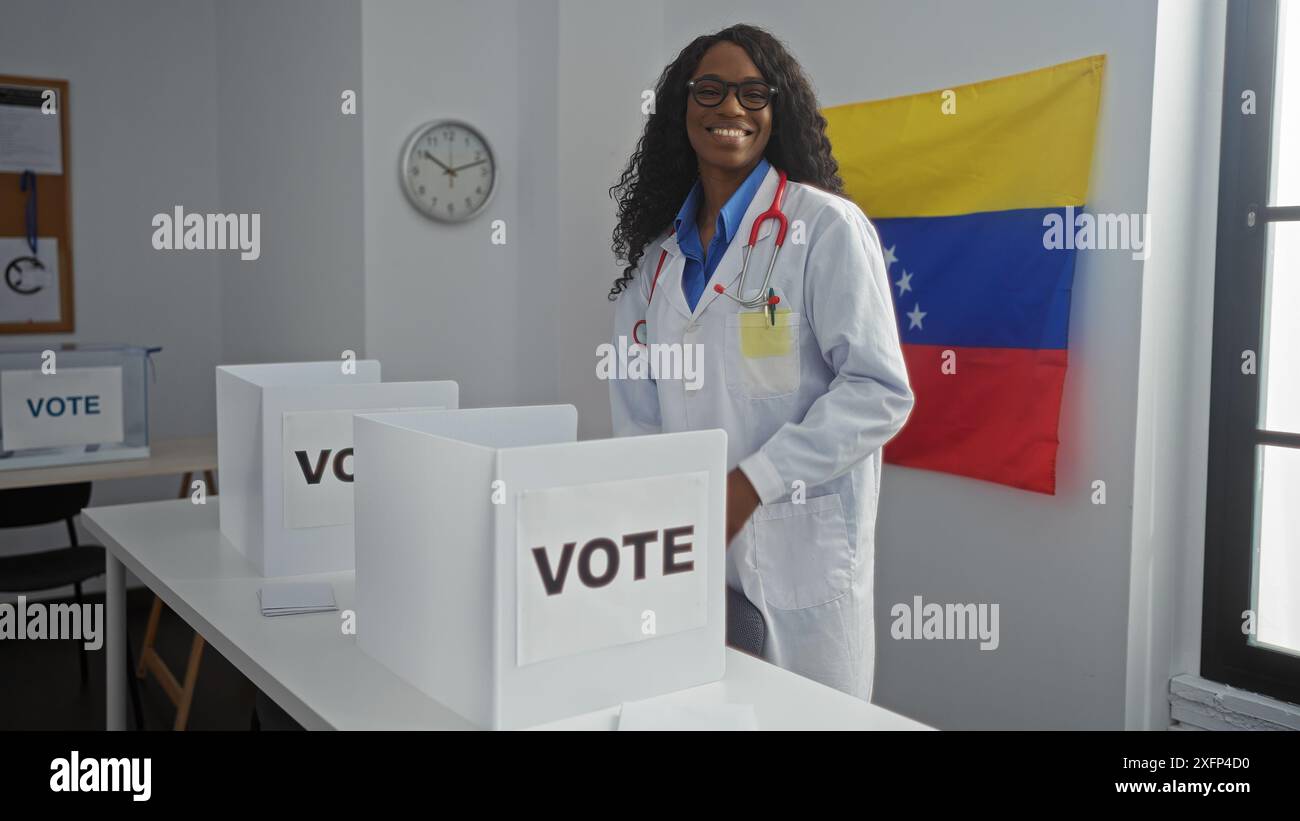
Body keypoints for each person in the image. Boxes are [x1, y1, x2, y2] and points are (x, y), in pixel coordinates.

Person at [608, 23, 913, 701]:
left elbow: (878, 391)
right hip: (686, 554)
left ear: (777, 111)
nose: (731, 109)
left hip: (800, 563)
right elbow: (637, 423)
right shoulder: (654, 268)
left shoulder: (824, 229)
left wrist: (750, 484)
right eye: (709, 90)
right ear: (681, 110)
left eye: (753, 92)